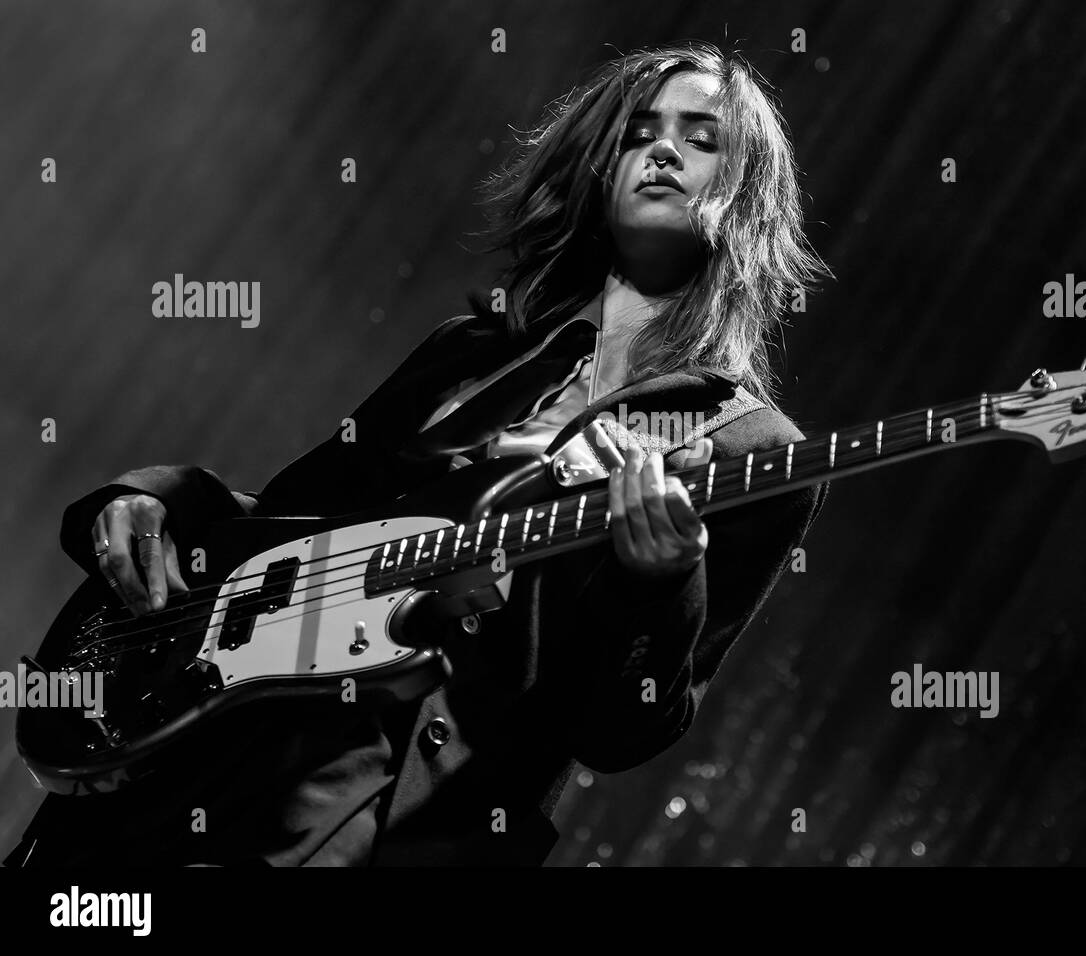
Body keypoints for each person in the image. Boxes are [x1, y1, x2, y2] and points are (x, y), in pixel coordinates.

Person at [6, 41, 830, 867]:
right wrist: (159, 500)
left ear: (746, 192)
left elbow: (621, 732)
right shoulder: (471, 354)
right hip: (221, 741)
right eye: (638, 132)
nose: (663, 151)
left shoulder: (746, 448)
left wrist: (661, 582)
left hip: (385, 816)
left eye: (701, 138)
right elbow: (288, 519)